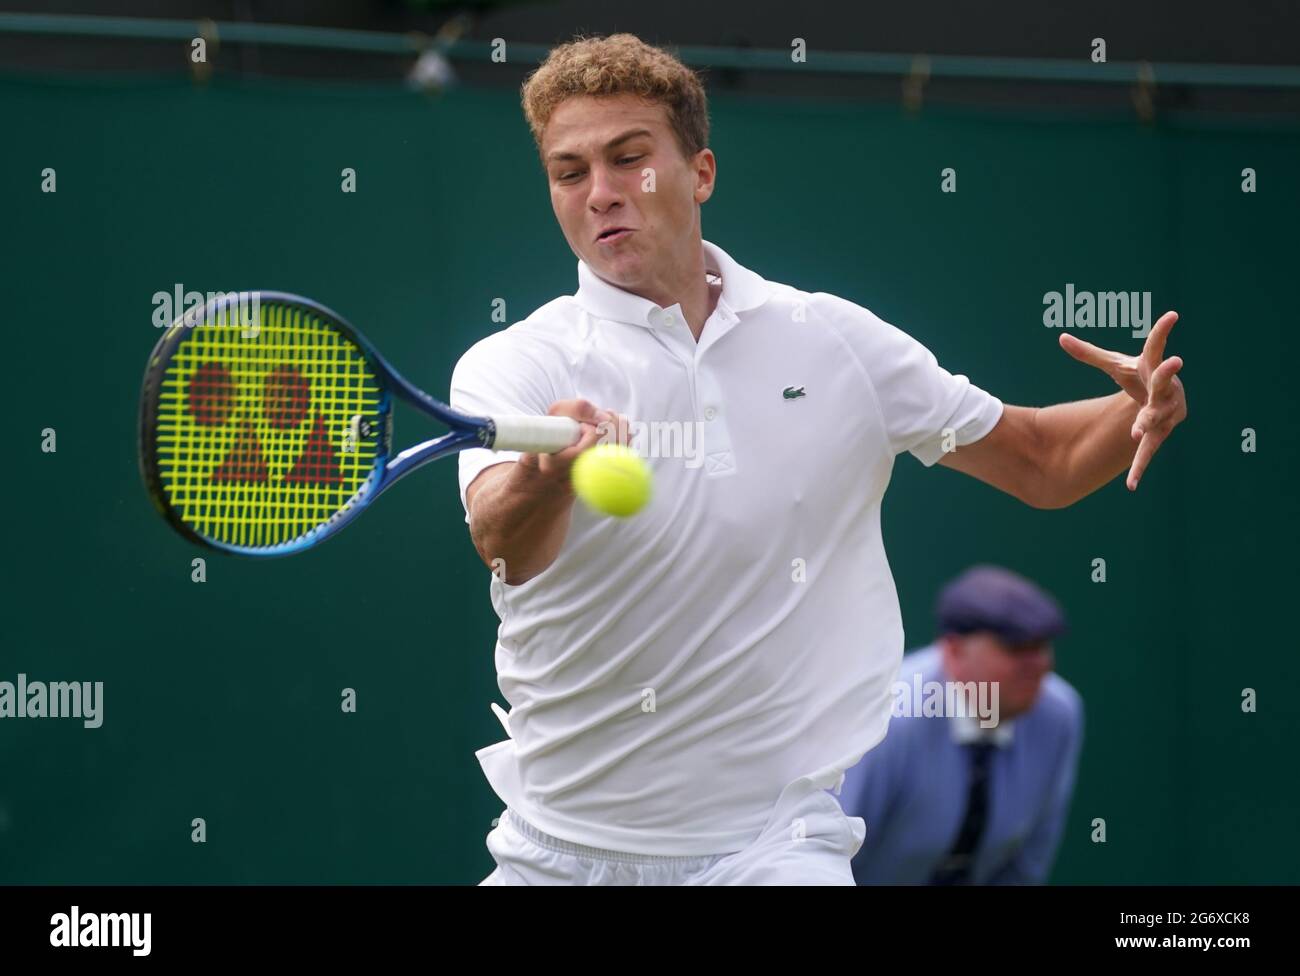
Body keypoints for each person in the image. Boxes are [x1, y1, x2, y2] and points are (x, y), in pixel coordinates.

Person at [448, 34, 1186, 885]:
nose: (602, 193)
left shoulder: (832, 339)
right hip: (560, 851)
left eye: (629, 158)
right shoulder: (514, 364)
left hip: (773, 845)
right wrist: (549, 472)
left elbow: (1042, 461)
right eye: (570, 172)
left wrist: (1134, 408)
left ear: (702, 173)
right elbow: (503, 540)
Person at [841, 566, 1083, 884]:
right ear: (954, 651)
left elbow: (1026, 865)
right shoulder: (889, 718)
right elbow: (833, 853)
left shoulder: (1059, 715)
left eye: (1042, 646)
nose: (1038, 665)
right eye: (1016, 647)